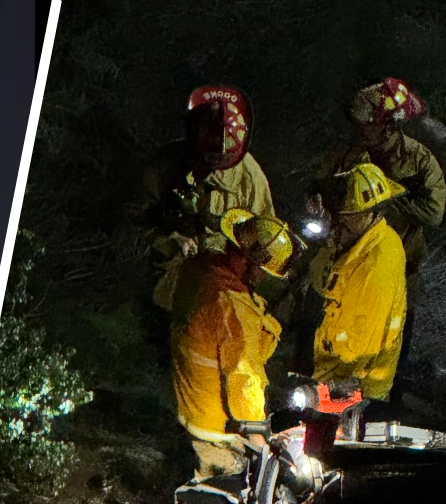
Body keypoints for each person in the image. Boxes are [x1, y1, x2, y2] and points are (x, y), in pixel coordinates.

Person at [309, 78, 446, 394]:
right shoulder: (348, 154)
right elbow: (319, 184)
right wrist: (317, 199)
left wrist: (389, 201)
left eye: (367, 124)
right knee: (332, 329)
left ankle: (382, 403)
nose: (361, 129)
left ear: (387, 127)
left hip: (399, 268)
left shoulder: (419, 160)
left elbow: (434, 212)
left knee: (390, 343)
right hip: (346, 261)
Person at [171, 209, 299, 481]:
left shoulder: (199, 269)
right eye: (264, 272)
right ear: (255, 264)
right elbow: (244, 378)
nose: (264, 278)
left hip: (189, 406)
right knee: (227, 493)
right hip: (216, 430)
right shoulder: (235, 309)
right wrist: (259, 441)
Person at [137, 85, 277, 312]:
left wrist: (254, 267)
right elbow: (140, 219)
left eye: (224, 160)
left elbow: (267, 238)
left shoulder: (251, 179)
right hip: (171, 283)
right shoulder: (163, 168)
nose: (215, 167)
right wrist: (171, 238)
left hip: (226, 288)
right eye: (209, 158)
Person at [311, 163, 408, 402]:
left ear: (367, 214)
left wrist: (322, 391)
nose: (337, 221)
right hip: (333, 373)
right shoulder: (359, 242)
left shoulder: (377, 264)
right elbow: (322, 282)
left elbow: (357, 350)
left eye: (345, 217)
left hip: (354, 390)